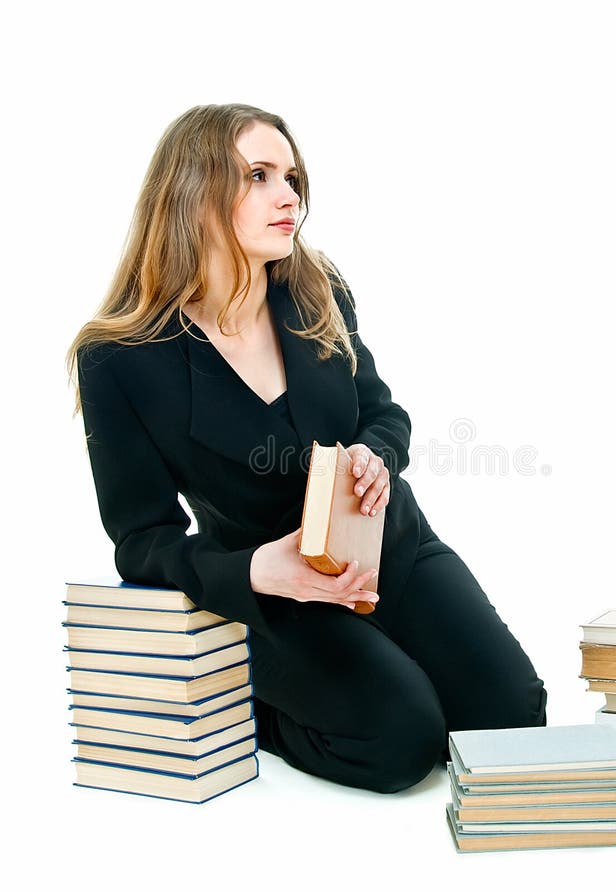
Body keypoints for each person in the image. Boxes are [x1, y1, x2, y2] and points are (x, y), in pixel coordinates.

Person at [67, 103, 547, 794]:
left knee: (511, 718)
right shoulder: (118, 358)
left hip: (391, 547)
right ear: (191, 193)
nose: (289, 195)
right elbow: (142, 540)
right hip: (282, 591)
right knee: (402, 743)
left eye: (291, 176)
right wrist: (263, 570)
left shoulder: (317, 288)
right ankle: (253, 705)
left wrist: (376, 455)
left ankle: (397, 666)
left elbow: (383, 413)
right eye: (258, 175)